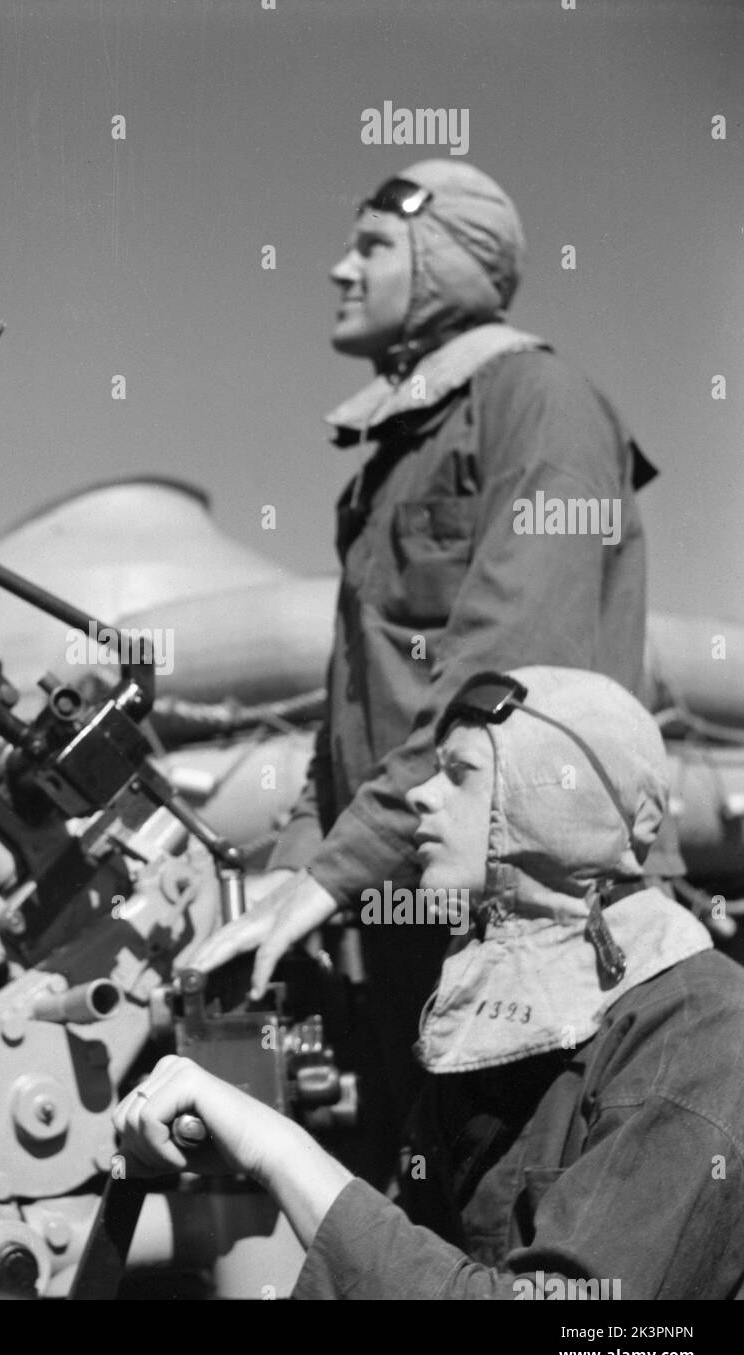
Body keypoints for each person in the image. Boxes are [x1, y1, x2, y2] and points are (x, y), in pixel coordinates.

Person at [190, 160, 679, 1163]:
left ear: (446, 263)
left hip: (529, 916)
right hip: (403, 915)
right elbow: (350, 721)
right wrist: (292, 882)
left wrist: (332, 878)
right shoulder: (391, 458)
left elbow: (504, 682)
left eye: (371, 247)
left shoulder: (541, 402)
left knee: (508, 1220)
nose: (336, 268)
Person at [118, 668, 744, 1299]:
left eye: (462, 773)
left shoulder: (699, 1027)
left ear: (559, 798)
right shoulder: (481, 1012)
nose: (422, 795)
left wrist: (278, 1152)